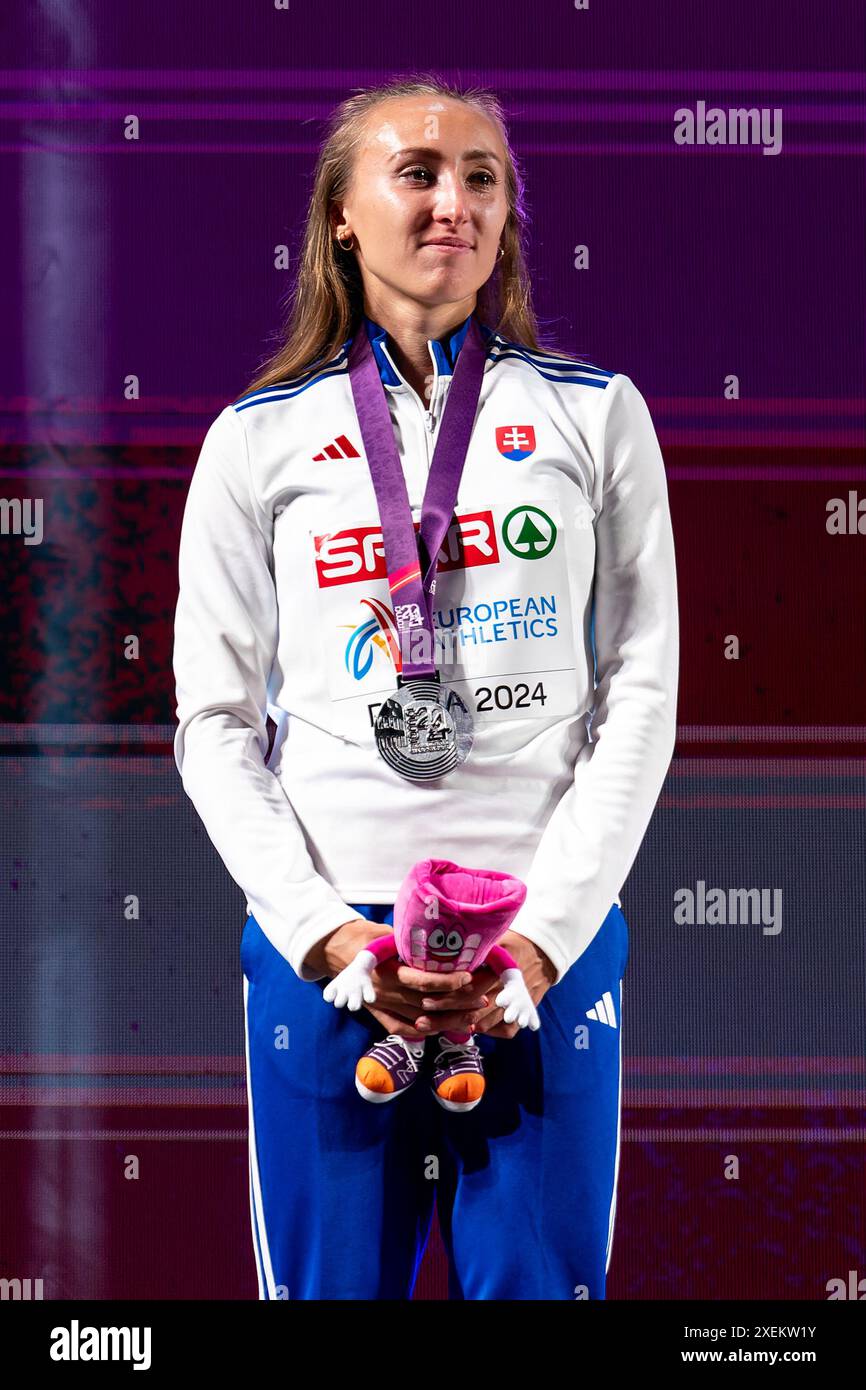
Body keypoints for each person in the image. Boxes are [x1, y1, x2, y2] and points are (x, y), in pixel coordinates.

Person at [172, 73, 679, 1301]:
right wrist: (325, 936)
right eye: (416, 172)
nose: (453, 201)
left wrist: (547, 941)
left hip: (539, 959)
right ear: (341, 213)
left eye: (482, 177)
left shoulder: (596, 415)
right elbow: (214, 722)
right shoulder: (256, 438)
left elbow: (641, 688)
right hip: (332, 963)